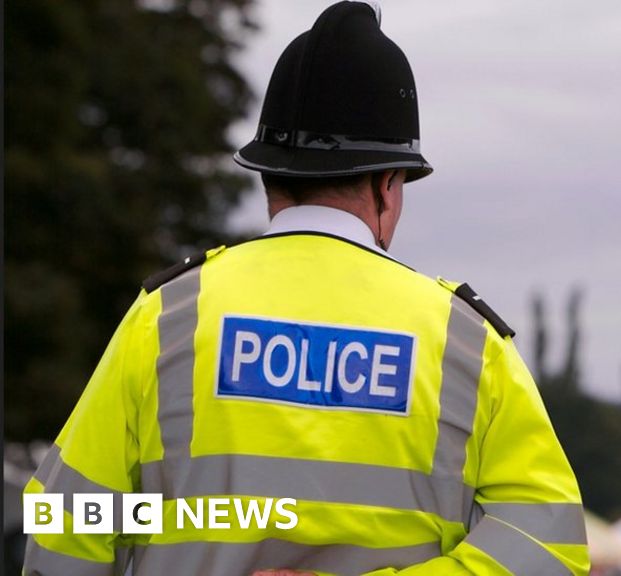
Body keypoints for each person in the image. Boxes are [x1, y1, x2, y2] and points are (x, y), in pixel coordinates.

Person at [22, 2, 589, 574]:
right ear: (389, 183)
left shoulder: (168, 315)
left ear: (270, 175)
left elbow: (66, 520)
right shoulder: (466, 342)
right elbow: (550, 549)